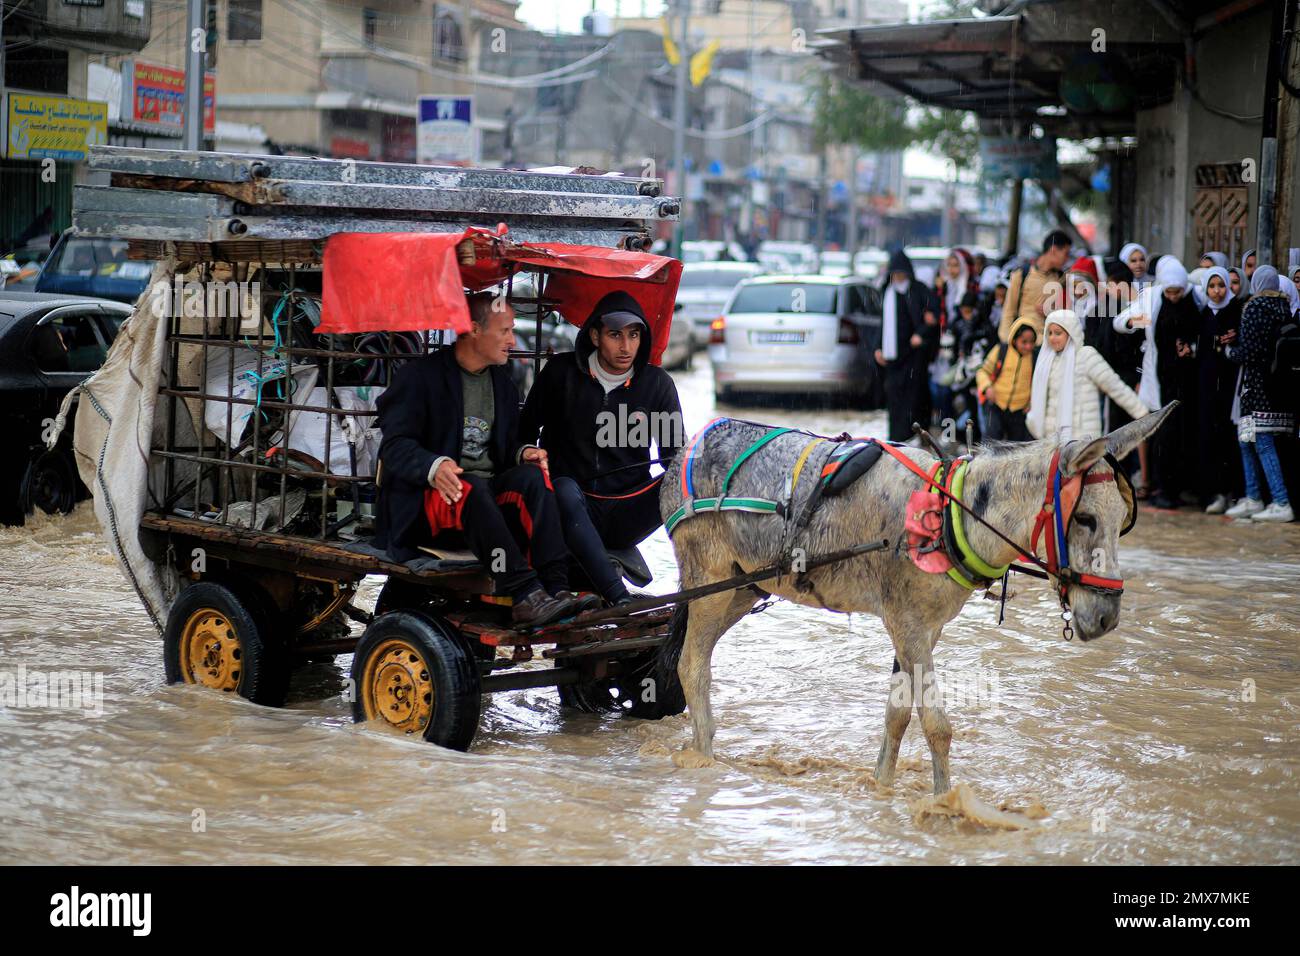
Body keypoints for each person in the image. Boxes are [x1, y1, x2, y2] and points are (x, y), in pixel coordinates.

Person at [373, 292, 591, 627]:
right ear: (474, 329)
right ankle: (524, 594)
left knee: (534, 478)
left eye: (512, 330)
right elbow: (395, 446)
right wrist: (434, 466)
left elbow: (504, 449)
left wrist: (523, 453)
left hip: (484, 505)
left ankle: (556, 589)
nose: (511, 340)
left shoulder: (502, 384)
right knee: (469, 486)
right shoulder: (421, 377)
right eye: (504, 330)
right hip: (429, 504)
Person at [519, 291, 685, 606]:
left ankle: (691, 593)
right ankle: (619, 598)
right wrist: (529, 452)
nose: (626, 347)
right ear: (595, 336)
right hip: (570, 505)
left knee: (682, 480)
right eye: (615, 335)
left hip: (627, 509)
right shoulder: (560, 374)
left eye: (634, 336)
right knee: (563, 487)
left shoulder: (657, 384)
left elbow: (674, 457)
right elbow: (523, 433)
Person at [1113, 257, 1200, 508]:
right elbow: (1121, 321)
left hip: (1186, 378)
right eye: (1170, 291)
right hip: (1159, 375)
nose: (1173, 297)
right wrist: (1135, 322)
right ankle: (1162, 488)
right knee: (1163, 436)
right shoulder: (1152, 298)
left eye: (1178, 292)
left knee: (1182, 434)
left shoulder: (1195, 298)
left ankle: (1181, 488)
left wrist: (1191, 348)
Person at [1225, 266, 1294, 521]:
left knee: (1261, 442)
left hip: (1256, 388)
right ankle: (1253, 496)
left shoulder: (1254, 308)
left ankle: (1280, 500)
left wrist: (1230, 352)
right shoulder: (1284, 308)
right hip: (1278, 387)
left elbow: (1250, 352)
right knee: (1247, 441)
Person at [1027, 309, 1149, 443]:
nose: (1052, 338)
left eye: (1058, 333)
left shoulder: (1086, 356)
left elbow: (1114, 386)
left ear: (1071, 333)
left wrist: (1142, 413)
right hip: (1053, 441)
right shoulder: (1047, 362)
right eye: (1049, 333)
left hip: (1083, 440)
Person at [873, 249, 939, 443]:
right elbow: (882, 323)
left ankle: (916, 434)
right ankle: (897, 437)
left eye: (901, 274)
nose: (898, 278)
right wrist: (878, 347)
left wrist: (920, 334)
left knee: (915, 395)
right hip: (893, 355)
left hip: (914, 354)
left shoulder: (919, 291)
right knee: (894, 394)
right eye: (895, 274)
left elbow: (933, 318)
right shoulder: (888, 292)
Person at [1191, 267, 1243, 514]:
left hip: (1229, 384)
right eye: (1211, 286)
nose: (1217, 291)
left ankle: (1231, 491)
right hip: (1206, 383)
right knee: (1207, 436)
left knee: (1227, 437)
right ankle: (1212, 493)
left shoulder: (1236, 312)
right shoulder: (1202, 315)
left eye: (1220, 286)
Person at [999, 230, 1072, 343]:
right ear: (1053, 250)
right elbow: (1009, 310)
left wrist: (1051, 312)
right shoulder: (1022, 274)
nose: (1067, 259)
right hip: (1023, 344)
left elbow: (1067, 316)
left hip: (1049, 345)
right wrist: (1007, 340)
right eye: (1066, 254)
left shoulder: (1061, 279)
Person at [976, 318, 1038, 441]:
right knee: (991, 443)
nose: (1028, 346)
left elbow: (1038, 383)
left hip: (1019, 411)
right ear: (1014, 339)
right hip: (996, 405)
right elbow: (982, 371)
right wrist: (987, 387)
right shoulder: (1001, 350)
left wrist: (1032, 402)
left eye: (1031, 342)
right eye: (1024, 342)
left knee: (1014, 449)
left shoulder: (1035, 357)